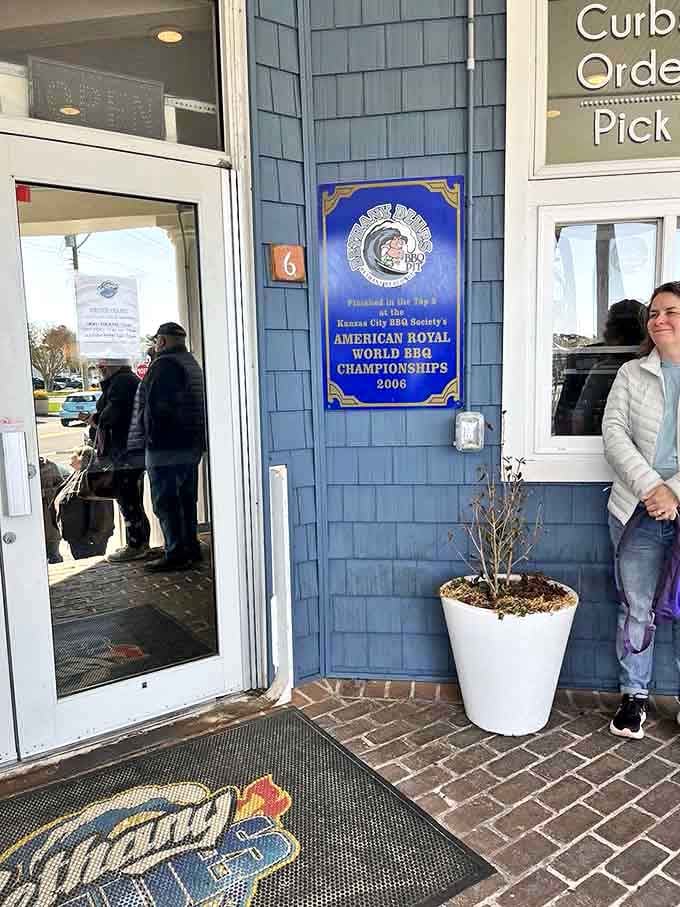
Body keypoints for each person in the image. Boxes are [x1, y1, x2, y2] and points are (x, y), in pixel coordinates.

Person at [602, 281, 680, 739]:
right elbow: (614, 436)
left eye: (670, 311)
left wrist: (674, 493)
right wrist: (653, 488)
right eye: (653, 313)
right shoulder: (632, 374)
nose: (659, 320)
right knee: (636, 606)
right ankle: (634, 696)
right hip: (635, 508)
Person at [131, 322, 206, 572]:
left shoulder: (164, 366)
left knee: (166, 501)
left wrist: (150, 440)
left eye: (156, 341)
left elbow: (157, 408)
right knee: (186, 499)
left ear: (161, 341)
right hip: (190, 444)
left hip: (167, 447)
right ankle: (190, 548)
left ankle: (175, 553)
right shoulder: (191, 363)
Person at [85, 359, 150, 563]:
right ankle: (139, 543)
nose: (99, 370)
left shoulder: (122, 383)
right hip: (130, 452)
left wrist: (94, 419)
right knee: (132, 499)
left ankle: (136, 545)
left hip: (126, 453)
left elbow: (111, 416)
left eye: (102, 366)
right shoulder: (125, 380)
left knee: (128, 499)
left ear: (111, 366)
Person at [39, 456, 71, 563]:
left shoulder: (50, 466)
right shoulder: (20, 468)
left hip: (50, 521)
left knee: (54, 555)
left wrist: (44, 492)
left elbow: (62, 488)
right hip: (32, 524)